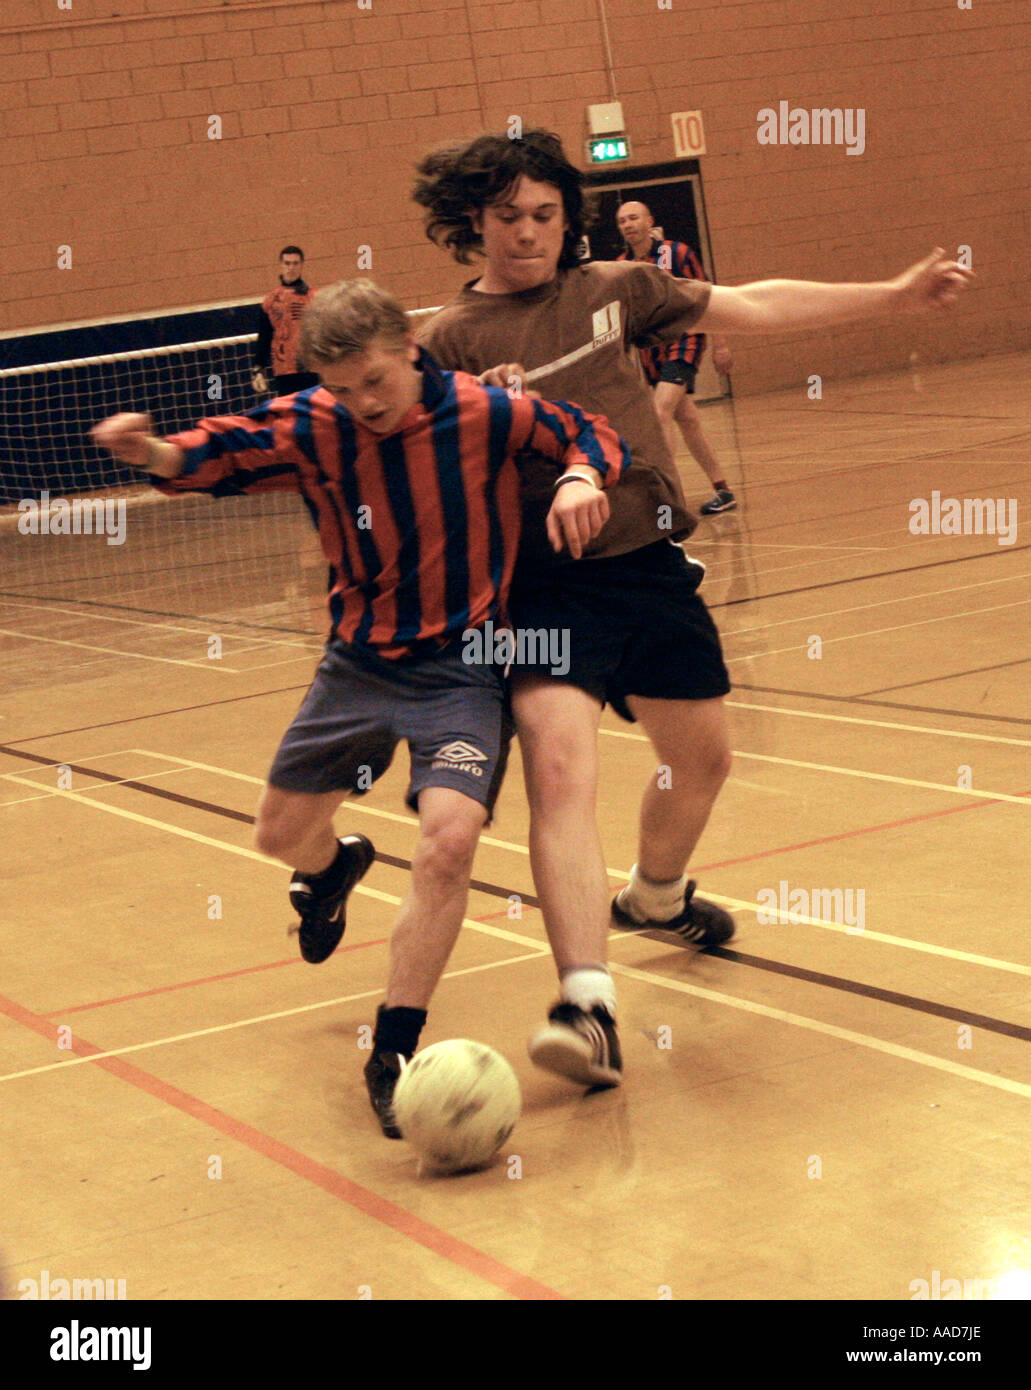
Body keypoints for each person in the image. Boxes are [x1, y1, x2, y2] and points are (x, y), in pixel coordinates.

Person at [412, 128, 973, 1089]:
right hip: (540, 588)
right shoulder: (448, 340)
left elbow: (750, 304)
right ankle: (585, 1006)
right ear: (475, 221)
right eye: (507, 216)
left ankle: (657, 896)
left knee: (701, 760)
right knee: (560, 774)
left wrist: (891, 294)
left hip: (649, 566)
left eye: (545, 214)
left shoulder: (612, 291)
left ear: (566, 216)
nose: (527, 233)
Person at [90, 278, 628, 1136]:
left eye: (375, 381)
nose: (363, 403)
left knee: (448, 840)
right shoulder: (315, 424)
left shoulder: (484, 411)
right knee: (276, 835)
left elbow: (587, 431)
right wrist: (152, 452)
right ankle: (331, 868)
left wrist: (575, 476)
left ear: (409, 351)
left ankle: (394, 1047)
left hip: (463, 663)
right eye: (343, 389)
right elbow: (218, 452)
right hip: (357, 664)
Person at [616, 201, 736, 515]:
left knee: (660, 412)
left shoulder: (677, 254)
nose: (628, 224)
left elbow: (709, 297)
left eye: (633, 218)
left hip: (685, 341)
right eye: (622, 221)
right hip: (650, 351)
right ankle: (722, 490)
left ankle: (668, 498)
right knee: (688, 419)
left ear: (649, 220)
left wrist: (720, 345)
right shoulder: (620, 266)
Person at [251, 246, 319, 395]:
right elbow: (264, 337)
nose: (291, 267)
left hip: (311, 367)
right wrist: (258, 368)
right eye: (287, 263)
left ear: (301, 265)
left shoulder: (314, 297)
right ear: (281, 265)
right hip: (284, 369)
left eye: (295, 263)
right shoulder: (271, 301)